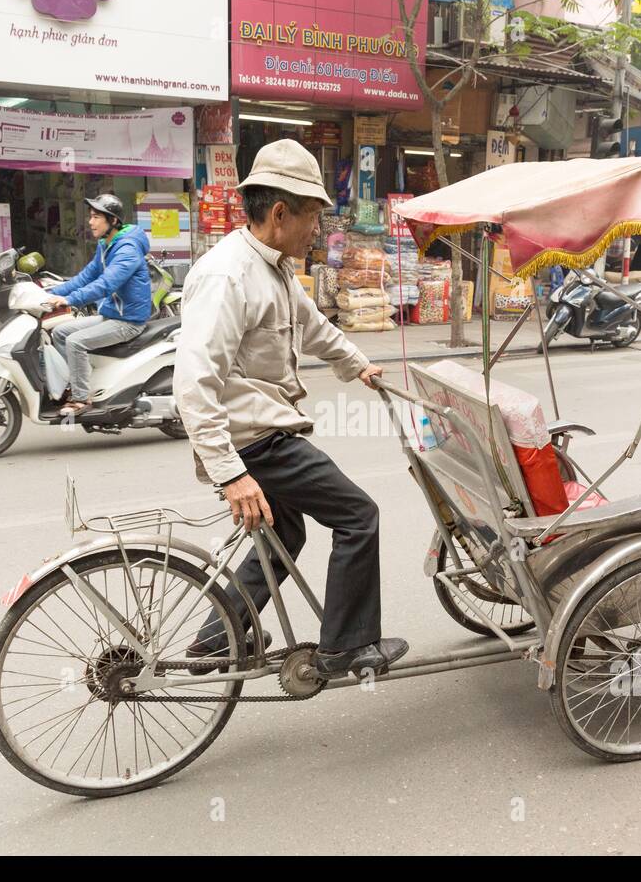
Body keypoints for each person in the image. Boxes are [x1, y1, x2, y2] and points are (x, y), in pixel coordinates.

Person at [173, 139, 408, 681]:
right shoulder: (227, 275)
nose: (317, 233)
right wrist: (232, 474)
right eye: (313, 219)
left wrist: (359, 366)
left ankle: (217, 636)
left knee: (287, 531)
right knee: (358, 515)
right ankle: (346, 648)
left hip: (260, 433)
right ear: (280, 213)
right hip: (255, 441)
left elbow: (313, 326)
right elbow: (193, 383)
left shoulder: (272, 266)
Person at [44, 194, 153, 416]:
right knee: (60, 332)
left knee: (75, 342)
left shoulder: (127, 249)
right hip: (111, 315)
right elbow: (85, 277)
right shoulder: (106, 244)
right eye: (90, 217)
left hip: (128, 321)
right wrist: (49, 293)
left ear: (112, 221)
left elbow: (105, 284)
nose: (90, 222)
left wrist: (69, 300)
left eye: (96, 217)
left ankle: (81, 399)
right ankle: (79, 381)